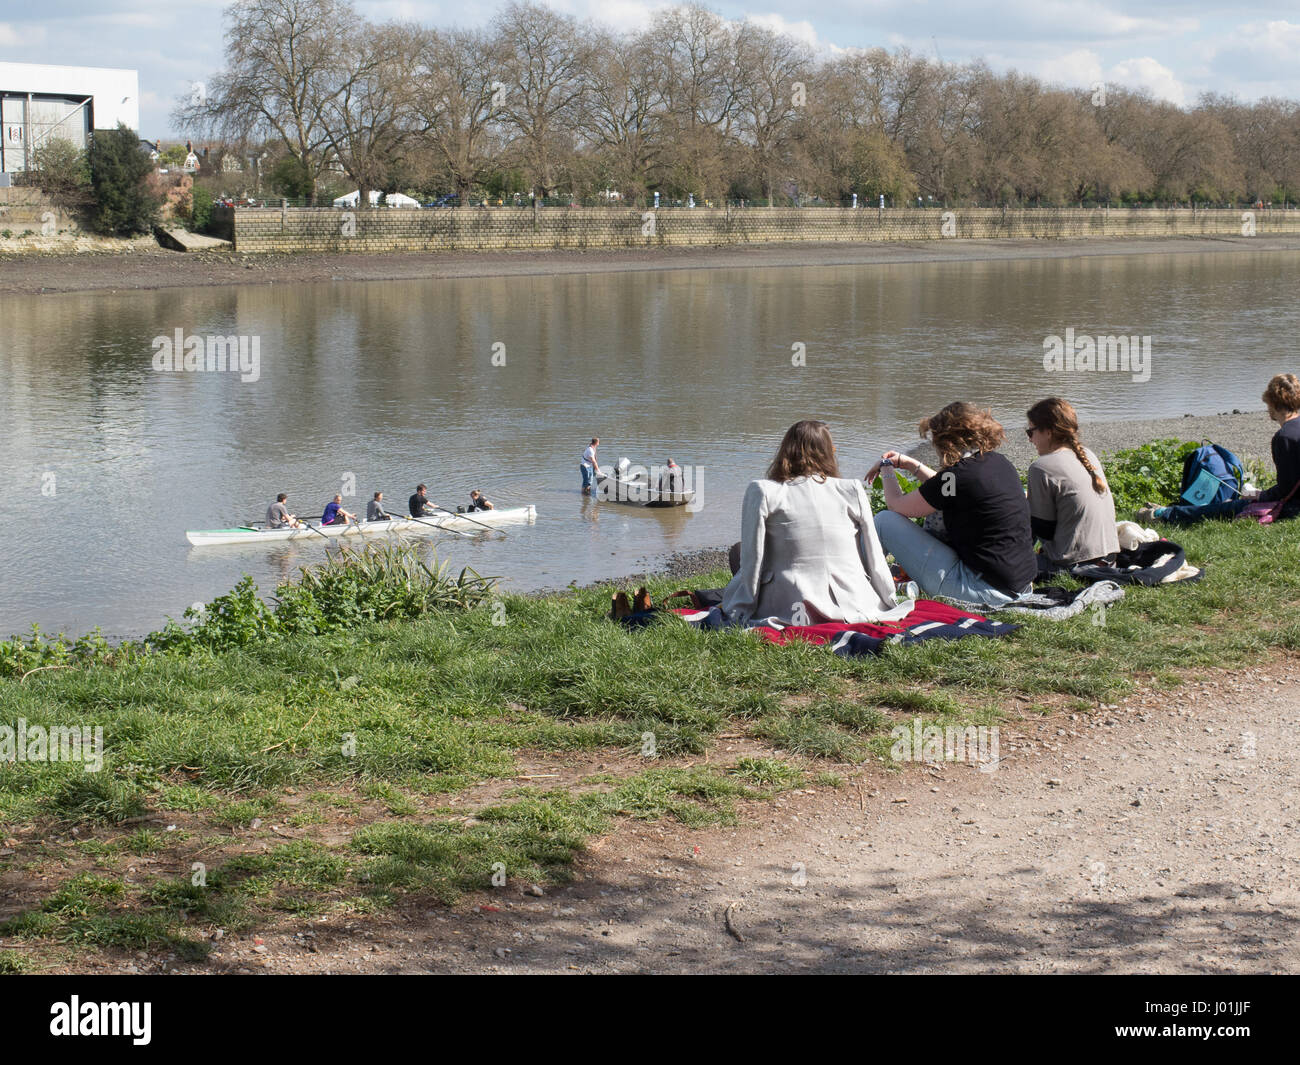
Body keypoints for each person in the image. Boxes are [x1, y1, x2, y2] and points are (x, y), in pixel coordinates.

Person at [721, 420, 910, 627]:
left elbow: (753, 559)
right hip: (855, 601)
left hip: (791, 605)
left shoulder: (764, 490)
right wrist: (887, 599)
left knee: (738, 552)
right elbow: (874, 556)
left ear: (785, 451)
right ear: (828, 453)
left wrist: (741, 608)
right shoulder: (852, 489)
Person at [870, 402, 1036, 608]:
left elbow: (896, 505)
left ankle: (860, 586)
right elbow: (944, 489)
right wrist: (910, 464)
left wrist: (885, 469)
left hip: (983, 592)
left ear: (945, 440)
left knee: (884, 521)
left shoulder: (957, 477)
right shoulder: (997, 462)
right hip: (1019, 588)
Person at [1140, 374, 1300, 525]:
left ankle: (1163, 514)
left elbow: (1285, 492)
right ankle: (1171, 510)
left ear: (1271, 402)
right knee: (1234, 503)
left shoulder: (1284, 437)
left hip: (1293, 508)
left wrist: (1258, 494)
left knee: (1223, 508)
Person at [1025, 398, 1118, 574]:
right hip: (1109, 560)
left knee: (995, 562)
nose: (1030, 439)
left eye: (1031, 432)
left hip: (1074, 567)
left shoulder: (1041, 467)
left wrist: (1025, 506)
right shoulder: (1087, 454)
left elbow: (1043, 530)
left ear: (1049, 432)